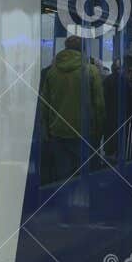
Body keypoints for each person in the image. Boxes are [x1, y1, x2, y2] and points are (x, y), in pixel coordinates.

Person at [39, 34, 104, 182]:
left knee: (62, 179)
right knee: (87, 178)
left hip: (58, 134)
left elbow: (45, 105)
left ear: (66, 49)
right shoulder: (91, 71)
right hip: (85, 133)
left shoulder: (52, 72)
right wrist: (98, 132)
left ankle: (64, 203)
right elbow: (99, 106)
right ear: (83, 50)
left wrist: (47, 132)